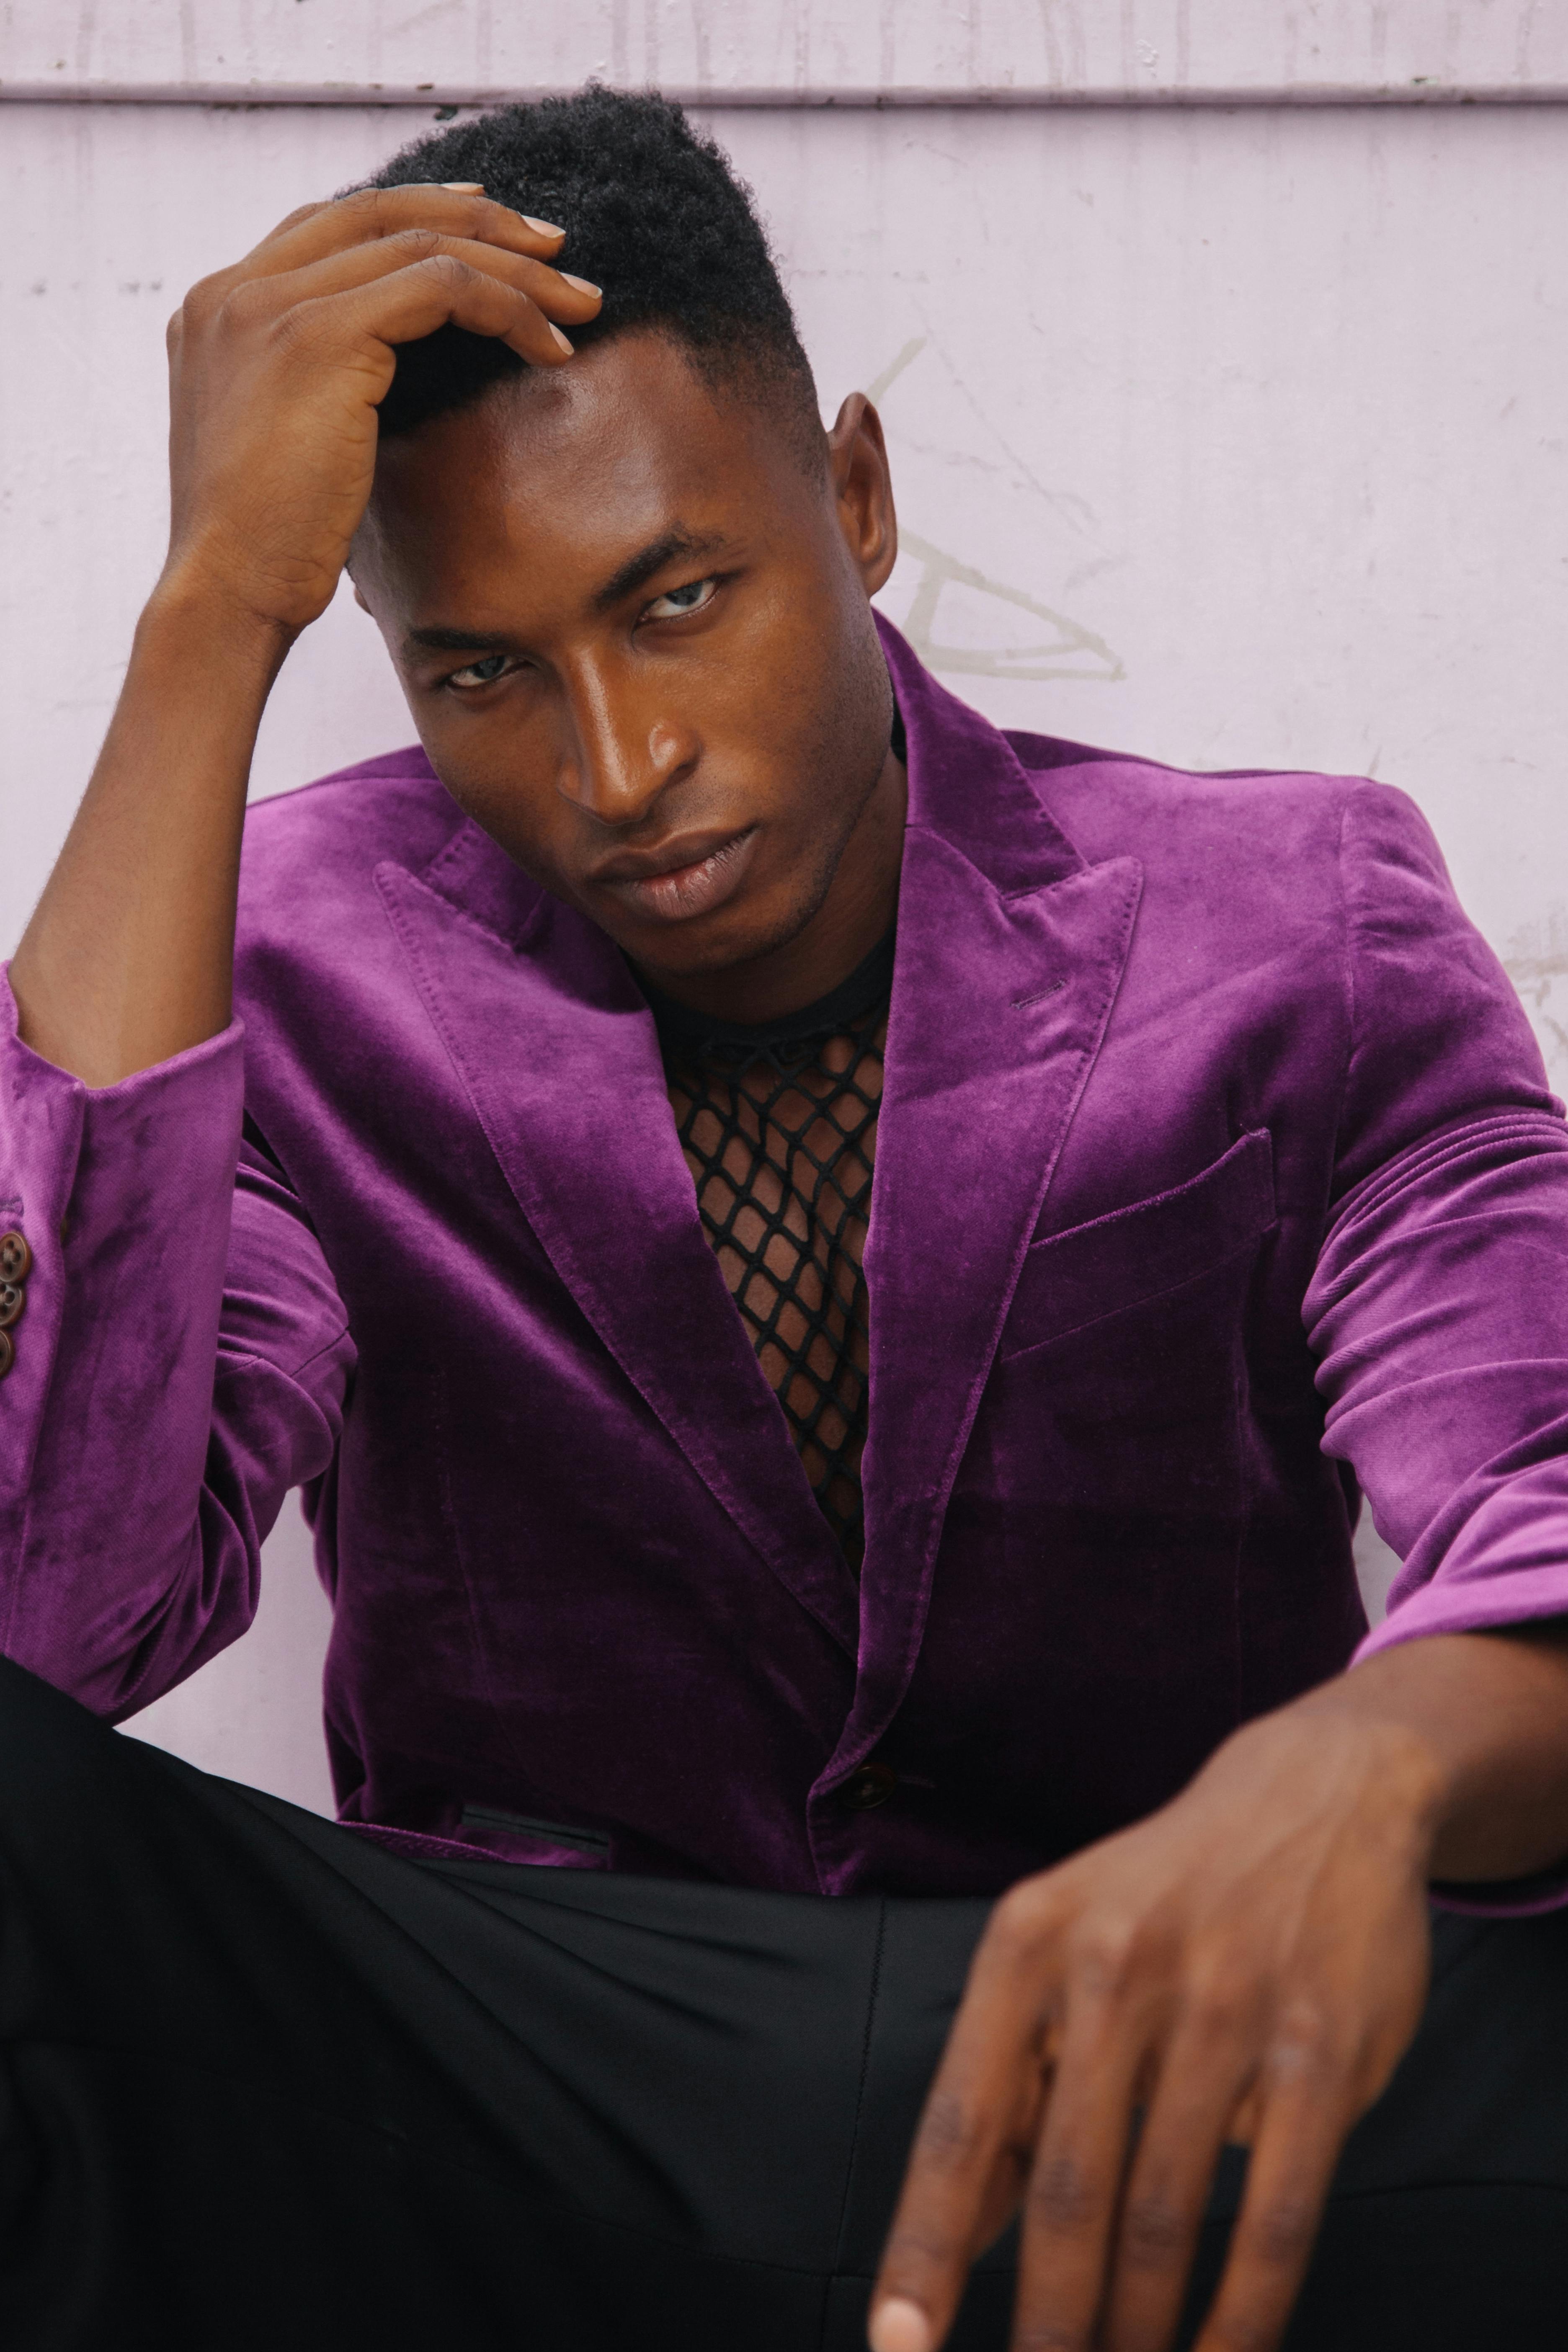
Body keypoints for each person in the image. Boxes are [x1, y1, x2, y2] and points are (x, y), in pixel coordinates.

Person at [2, 83, 1568, 2352]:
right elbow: (51, 1605)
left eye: (681, 598)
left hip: (1160, 2064)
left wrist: (1372, 1759)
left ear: (853, 496)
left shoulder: (1290, 916)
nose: (620, 766)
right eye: (482, 672)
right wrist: (207, 619)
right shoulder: (297, 968)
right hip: (535, 2089)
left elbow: (1546, 1483)